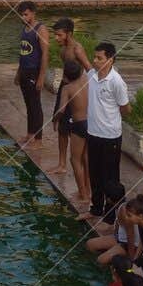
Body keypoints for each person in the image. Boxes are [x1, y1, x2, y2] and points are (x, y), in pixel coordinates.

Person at [84, 42, 130, 223]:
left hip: (110, 136)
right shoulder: (91, 75)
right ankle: (96, 208)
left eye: (99, 58)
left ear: (110, 60)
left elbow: (125, 108)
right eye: (94, 57)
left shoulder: (116, 81)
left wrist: (110, 120)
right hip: (92, 133)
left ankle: (112, 215)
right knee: (94, 174)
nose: (95, 61)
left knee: (110, 178)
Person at [48, 19, 91, 179]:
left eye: (59, 35)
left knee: (75, 130)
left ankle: (82, 169)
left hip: (75, 92)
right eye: (55, 35)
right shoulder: (63, 50)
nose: (56, 38)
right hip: (64, 88)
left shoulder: (77, 50)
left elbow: (89, 70)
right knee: (61, 128)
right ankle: (62, 164)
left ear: (69, 34)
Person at [53, 58, 90, 206]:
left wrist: (55, 119)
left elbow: (62, 110)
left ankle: (83, 195)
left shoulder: (67, 88)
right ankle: (88, 190)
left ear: (65, 76)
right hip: (91, 123)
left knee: (75, 160)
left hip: (78, 125)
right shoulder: (87, 81)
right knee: (86, 158)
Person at [13, 1, 50, 147]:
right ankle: (30, 134)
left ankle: (38, 139)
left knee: (35, 105)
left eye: (25, 14)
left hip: (34, 72)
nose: (23, 17)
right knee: (28, 104)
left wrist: (41, 77)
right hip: (24, 71)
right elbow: (23, 53)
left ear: (33, 13)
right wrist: (18, 73)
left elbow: (45, 55)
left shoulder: (41, 30)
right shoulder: (25, 29)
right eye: (21, 15)